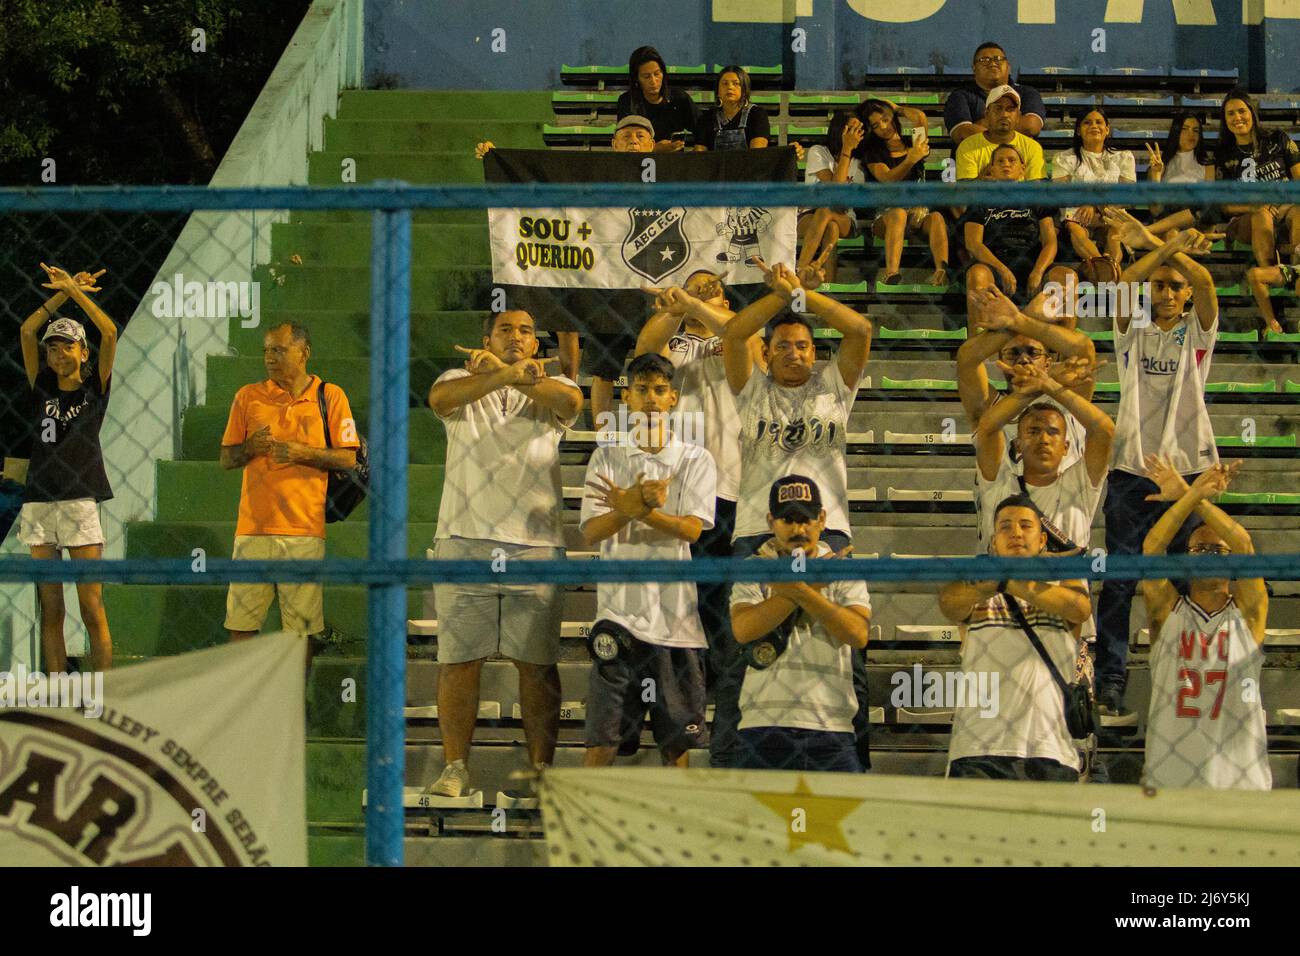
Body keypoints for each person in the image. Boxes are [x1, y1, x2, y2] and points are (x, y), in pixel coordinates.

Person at [715, 259, 872, 768]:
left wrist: (802, 293)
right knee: (749, 654)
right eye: (781, 344)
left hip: (830, 532)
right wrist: (779, 297)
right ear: (767, 353)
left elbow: (860, 329)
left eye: (802, 344)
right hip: (759, 531)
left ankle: (852, 761)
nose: (793, 352)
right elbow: (735, 332)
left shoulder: (833, 388)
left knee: (846, 652)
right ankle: (734, 762)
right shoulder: (752, 390)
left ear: (815, 352)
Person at [424, 310, 583, 803]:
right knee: (458, 662)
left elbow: (571, 400)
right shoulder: (459, 378)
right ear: (486, 339)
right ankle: (455, 768)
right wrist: (502, 374)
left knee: (536, 665)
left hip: (535, 543)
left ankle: (540, 771)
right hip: (462, 538)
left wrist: (514, 375)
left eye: (526, 331)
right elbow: (440, 399)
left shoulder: (552, 385)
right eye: (506, 330)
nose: (517, 337)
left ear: (536, 344)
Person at [1092, 211, 1221, 725]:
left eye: (1175, 287)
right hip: (1130, 469)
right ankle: (1110, 683)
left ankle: (1181, 681)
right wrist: (1157, 250)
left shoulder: (1198, 334)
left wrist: (1150, 241)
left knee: (1187, 578)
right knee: (1120, 582)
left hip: (1185, 471)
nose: (1167, 292)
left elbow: (1207, 280)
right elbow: (1123, 284)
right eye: (1160, 285)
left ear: (1186, 295)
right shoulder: (1133, 331)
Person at [634, 272, 764, 742]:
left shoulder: (741, 330)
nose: (703, 293)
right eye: (696, 286)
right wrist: (675, 309)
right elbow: (644, 353)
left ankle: (731, 717)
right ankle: (685, 712)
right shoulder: (677, 343)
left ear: (726, 297)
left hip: (734, 489)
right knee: (684, 606)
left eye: (711, 287)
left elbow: (739, 331)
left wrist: (694, 300)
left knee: (728, 609)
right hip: (679, 493)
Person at [579, 353, 717, 767]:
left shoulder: (695, 458)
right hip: (618, 614)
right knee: (601, 742)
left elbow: (693, 530)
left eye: (659, 390)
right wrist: (628, 509)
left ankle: (678, 829)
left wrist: (640, 510)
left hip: (675, 619)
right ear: (627, 398)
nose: (651, 399)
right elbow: (591, 531)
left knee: (676, 747)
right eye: (641, 390)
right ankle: (585, 829)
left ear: (673, 398)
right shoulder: (607, 456)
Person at [475, 114, 655, 423]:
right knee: (603, 371)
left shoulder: (673, 177)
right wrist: (498, 160)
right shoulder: (590, 174)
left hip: (651, 287)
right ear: (613, 144)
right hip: (605, 288)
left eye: (640, 136)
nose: (633, 141)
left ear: (653, 144)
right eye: (626, 136)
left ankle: (655, 438)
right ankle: (605, 442)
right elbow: (543, 178)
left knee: (655, 371)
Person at [220, 323, 360, 652]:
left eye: (279, 350)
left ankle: (294, 703)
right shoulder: (248, 396)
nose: (270, 357)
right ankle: (246, 701)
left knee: (300, 634)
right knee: (241, 626)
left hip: (304, 531)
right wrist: (250, 448)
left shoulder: (330, 395)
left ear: (304, 353)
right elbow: (226, 458)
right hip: (252, 529)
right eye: (267, 350)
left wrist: (303, 453)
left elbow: (348, 458)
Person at [1139, 456, 1271, 790]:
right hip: (1172, 776)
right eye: (1200, 549)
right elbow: (1151, 547)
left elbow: (1243, 543)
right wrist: (1191, 496)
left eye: (1217, 550)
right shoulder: (1166, 613)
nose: (1209, 555)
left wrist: (1192, 495)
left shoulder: (1249, 615)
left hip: (1241, 780)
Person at [939, 494, 1093, 781]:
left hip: (1050, 748)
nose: (1016, 533)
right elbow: (949, 603)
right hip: (977, 748)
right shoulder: (977, 587)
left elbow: (1079, 608)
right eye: (1005, 527)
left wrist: (1008, 581)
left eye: (1026, 525)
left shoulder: (1061, 584)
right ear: (994, 541)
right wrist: (996, 580)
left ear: (1044, 540)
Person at [730, 475, 870, 772]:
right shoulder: (753, 566)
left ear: (821, 519)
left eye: (806, 519)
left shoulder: (843, 566)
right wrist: (812, 587)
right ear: (771, 521)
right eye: (788, 519)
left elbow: (857, 633)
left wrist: (796, 590)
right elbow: (744, 629)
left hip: (830, 722)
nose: (798, 529)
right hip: (763, 721)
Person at [18, 263, 115, 674]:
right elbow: (26, 331)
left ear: (83, 352)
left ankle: (105, 695)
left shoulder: (95, 388)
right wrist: (59, 294)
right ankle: (57, 690)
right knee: (51, 606)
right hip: (40, 501)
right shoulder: (40, 384)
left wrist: (77, 293)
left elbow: (109, 333)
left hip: (79, 499)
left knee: (90, 603)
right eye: (53, 348)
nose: (58, 354)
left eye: (67, 347)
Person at [1147, 89, 1300, 269]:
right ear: (1225, 120)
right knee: (1261, 215)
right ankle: (1269, 274)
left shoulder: (1277, 139)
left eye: (1242, 111)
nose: (1237, 117)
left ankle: (1296, 273)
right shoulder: (1223, 155)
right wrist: (1255, 205)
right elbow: (1221, 204)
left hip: (1285, 208)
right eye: (1231, 113)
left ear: (1252, 112)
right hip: (1248, 219)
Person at [957, 283, 1097, 474]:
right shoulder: (988, 408)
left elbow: (1084, 349)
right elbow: (966, 359)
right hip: (1006, 503)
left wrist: (1020, 321)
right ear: (999, 362)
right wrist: (1025, 317)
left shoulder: (1069, 399)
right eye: (1013, 354)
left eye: (1033, 352)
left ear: (1049, 363)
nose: (1023, 359)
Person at [961, 144, 1064, 332]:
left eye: (1011, 160)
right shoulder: (981, 199)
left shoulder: (1037, 198)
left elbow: (1050, 242)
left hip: (1032, 263)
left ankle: (1066, 353)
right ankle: (978, 353)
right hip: (994, 264)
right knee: (977, 274)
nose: (1006, 164)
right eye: (999, 161)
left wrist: (1038, 271)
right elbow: (973, 244)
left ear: (1022, 169)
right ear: (991, 170)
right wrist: (1003, 270)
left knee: (1067, 277)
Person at [859, 99, 949, 287]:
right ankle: (891, 273)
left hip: (917, 216)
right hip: (885, 218)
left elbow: (920, 117)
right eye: (876, 125)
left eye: (885, 119)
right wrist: (910, 160)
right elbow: (888, 178)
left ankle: (941, 271)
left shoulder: (911, 143)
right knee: (898, 213)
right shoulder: (872, 152)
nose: (884, 127)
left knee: (937, 218)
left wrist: (897, 108)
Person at [1051, 109, 1136, 277]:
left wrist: (1095, 204)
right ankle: (1104, 269)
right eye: (1087, 122)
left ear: (1107, 129)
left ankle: (1110, 266)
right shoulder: (1064, 158)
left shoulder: (1123, 157)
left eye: (1099, 122)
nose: (1094, 126)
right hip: (1078, 215)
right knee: (1075, 226)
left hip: (1110, 213)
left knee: (1115, 228)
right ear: (1078, 130)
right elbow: (1061, 194)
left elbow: (1128, 197)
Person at [797, 110, 867, 281]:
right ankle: (828, 283)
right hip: (809, 215)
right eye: (850, 129)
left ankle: (799, 272)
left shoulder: (859, 163)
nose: (854, 134)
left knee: (827, 212)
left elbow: (838, 196)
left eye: (859, 130)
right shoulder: (818, 152)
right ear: (839, 129)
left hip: (844, 216)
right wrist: (846, 149)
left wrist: (847, 151)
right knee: (830, 225)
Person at [945, 42, 1046, 145]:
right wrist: (1009, 126)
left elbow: (1031, 126)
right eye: (984, 60)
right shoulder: (960, 96)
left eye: (998, 59)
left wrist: (984, 123)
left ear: (1008, 66)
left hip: (1018, 159)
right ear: (974, 68)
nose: (992, 63)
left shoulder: (1028, 93)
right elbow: (963, 134)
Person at [954, 87, 1046, 182]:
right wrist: (981, 181)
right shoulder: (968, 146)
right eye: (998, 108)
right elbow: (964, 192)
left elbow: (1037, 191)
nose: (1004, 114)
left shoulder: (1032, 147)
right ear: (987, 114)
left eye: (1010, 109)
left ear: (1018, 116)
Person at [615, 45, 698, 150]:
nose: (654, 81)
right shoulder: (627, 101)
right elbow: (624, 143)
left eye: (657, 74)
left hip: (675, 161)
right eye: (646, 76)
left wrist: (700, 146)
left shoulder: (680, 98)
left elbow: (701, 128)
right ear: (636, 78)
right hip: (638, 162)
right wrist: (655, 148)